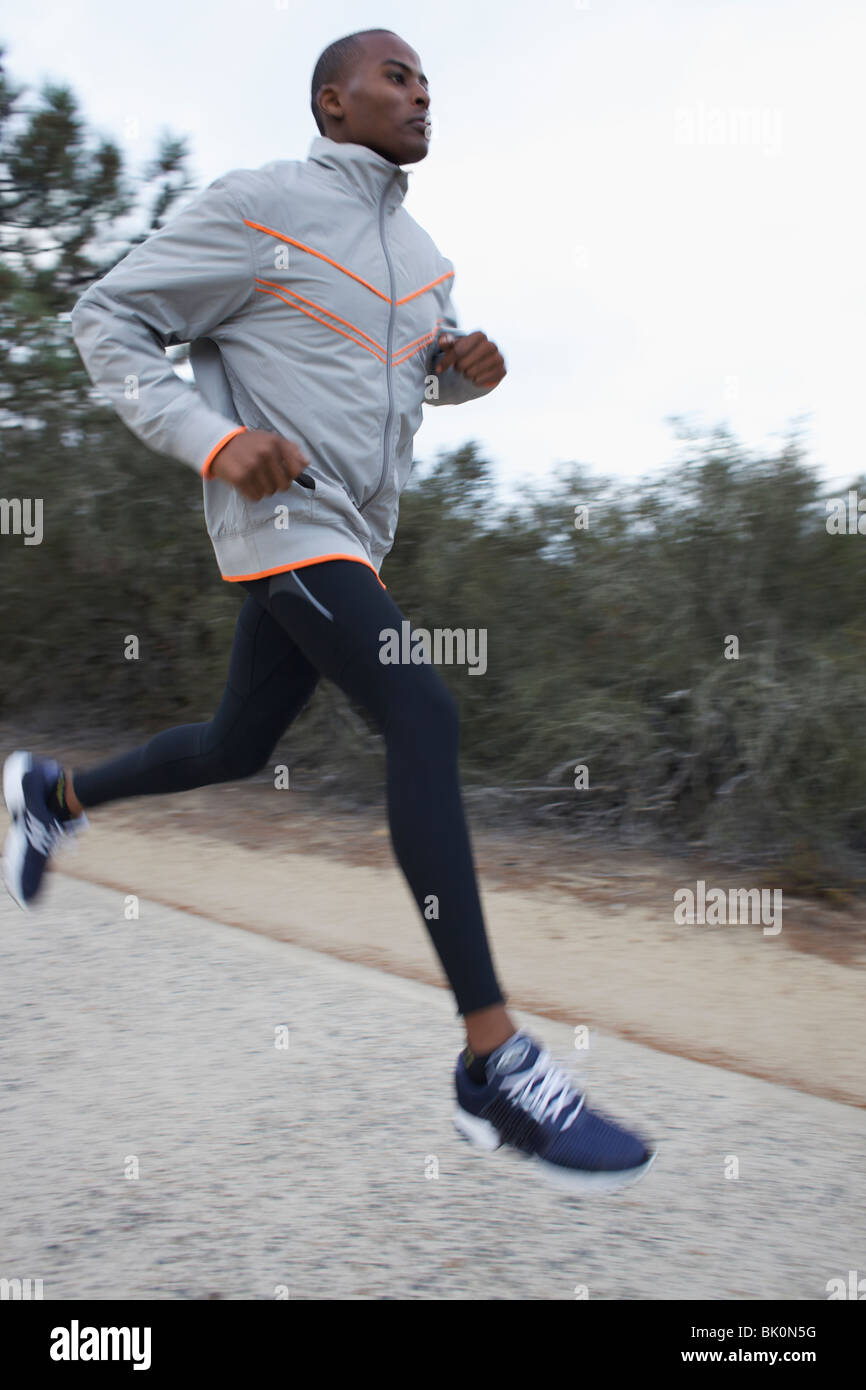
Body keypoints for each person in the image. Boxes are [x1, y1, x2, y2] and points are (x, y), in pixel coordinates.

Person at [2, 28, 655, 1193]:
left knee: (232, 746)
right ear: (332, 100)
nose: (419, 96)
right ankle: (492, 1063)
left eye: (427, 83)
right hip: (283, 519)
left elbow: (395, 381)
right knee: (424, 717)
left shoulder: (426, 255)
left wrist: (459, 373)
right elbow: (105, 319)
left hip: (351, 535)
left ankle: (48, 791)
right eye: (396, 77)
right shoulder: (260, 206)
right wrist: (216, 438)